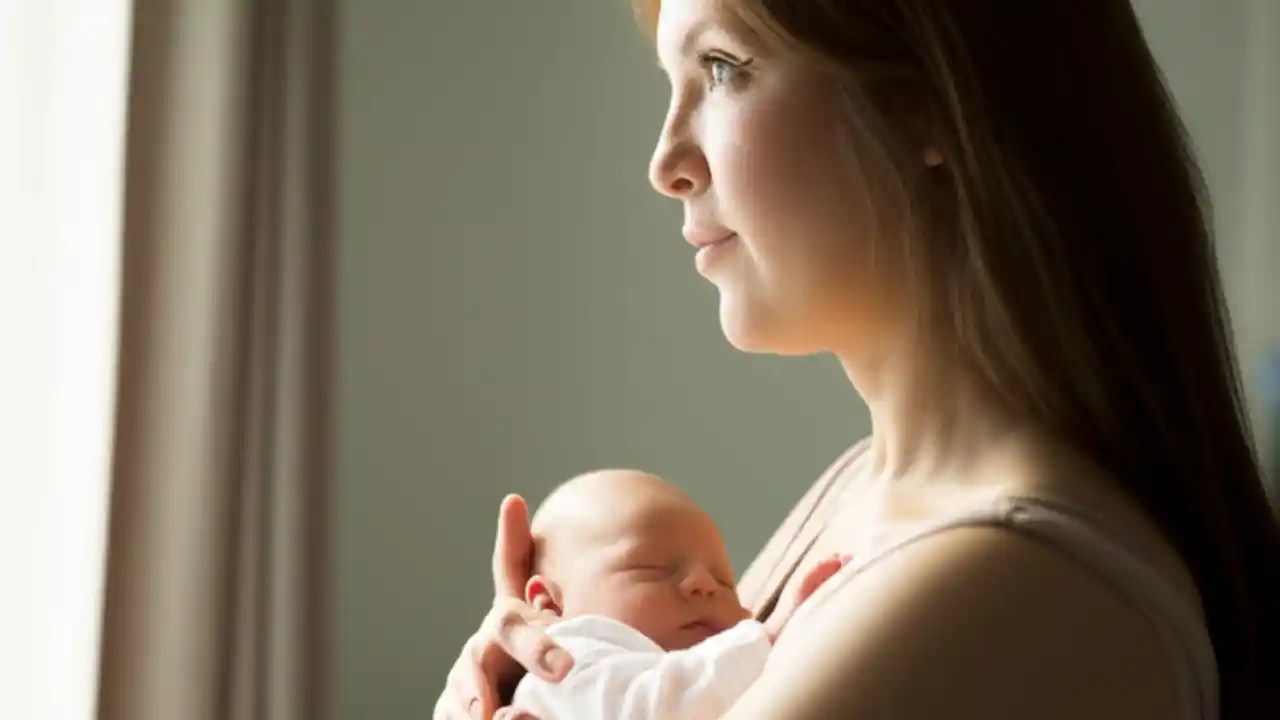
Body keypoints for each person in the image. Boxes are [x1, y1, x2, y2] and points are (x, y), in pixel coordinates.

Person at [434, 1, 1280, 718]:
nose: (666, 165)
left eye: (723, 69)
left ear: (934, 106)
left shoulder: (1004, 581)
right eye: (672, 84)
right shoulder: (866, 491)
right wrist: (556, 675)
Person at [509, 469, 846, 719]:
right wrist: (770, 635)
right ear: (549, 604)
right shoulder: (567, 660)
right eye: (651, 567)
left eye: (725, 582)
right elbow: (657, 707)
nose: (704, 584)